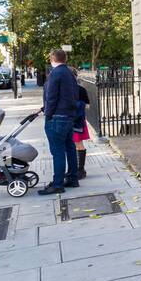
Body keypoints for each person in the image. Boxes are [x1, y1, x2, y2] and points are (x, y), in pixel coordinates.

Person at [37, 49, 80, 195]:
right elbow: (74, 94)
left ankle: (57, 184)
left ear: (52, 59)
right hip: (69, 115)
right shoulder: (69, 73)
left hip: (57, 117)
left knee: (58, 151)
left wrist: (48, 114)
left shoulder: (55, 73)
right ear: (65, 58)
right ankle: (73, 178)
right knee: (70, 147)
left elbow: (52, 97)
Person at [72, 83, 91, 178]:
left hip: (77, 121)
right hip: (69, 121)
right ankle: (75, 169)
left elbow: (87, 105)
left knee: (78, 144)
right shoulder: (63, 88)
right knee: (72, 146)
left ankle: (80, 169)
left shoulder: (80, 89)